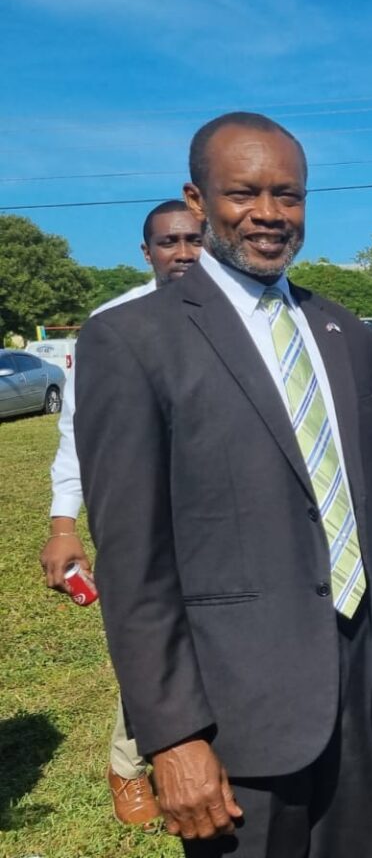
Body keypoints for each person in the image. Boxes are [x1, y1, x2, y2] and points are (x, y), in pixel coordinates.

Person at [74, 112, 372, 856]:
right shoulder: (133, 339)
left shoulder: (345, 335)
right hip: (235, 719)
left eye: (288, 195)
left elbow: (369, 497)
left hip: (360, 699)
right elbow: (132, 560)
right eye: (243, 193)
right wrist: (173, 734)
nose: (268, 213)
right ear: (197, 201)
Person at [38, 199, 202, 829]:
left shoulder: (239, 318)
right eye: (169, 242)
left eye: (194, 240)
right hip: (141, 516)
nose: (183, 253)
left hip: (219, 511)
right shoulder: (112, 326)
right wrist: (63, 524)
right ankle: (129, 764)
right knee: (154, 638)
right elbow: (77, 431)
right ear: (146, 252)